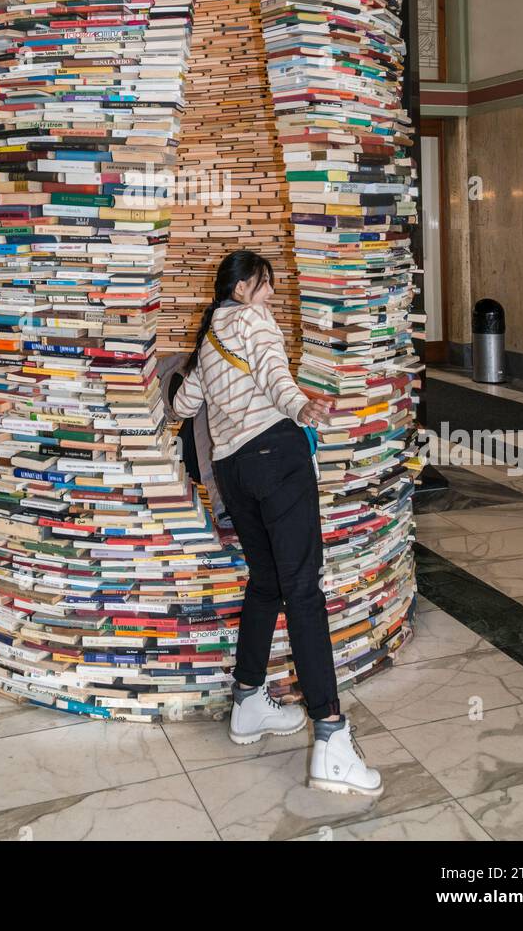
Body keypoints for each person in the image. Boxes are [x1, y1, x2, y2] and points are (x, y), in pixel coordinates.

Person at [172, 249, 381, 796]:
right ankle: (332, 739)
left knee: (267, 584)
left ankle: (247, 703)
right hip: (275, 456)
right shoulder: (252, 319)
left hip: (233, 472)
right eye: (264, 285)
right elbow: (272, 372)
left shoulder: (210, 337)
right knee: (303, 592)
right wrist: (298, 406)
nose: (271, 294)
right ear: (241, 289)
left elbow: (184, 403)